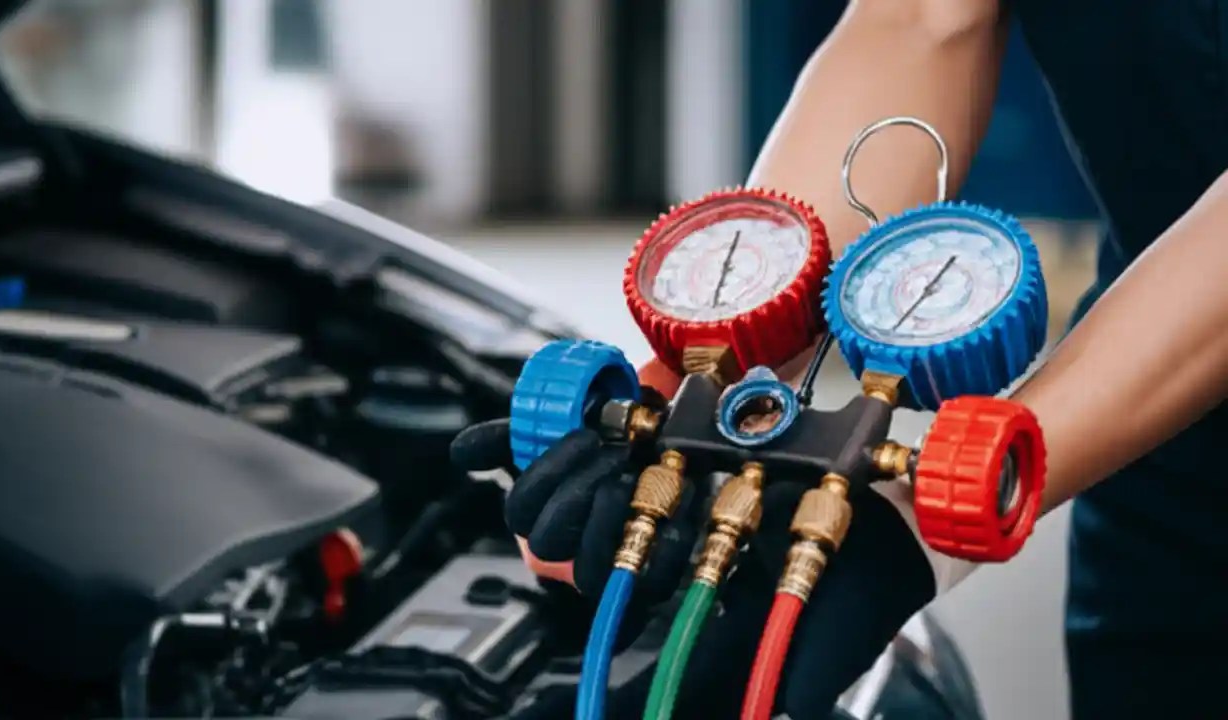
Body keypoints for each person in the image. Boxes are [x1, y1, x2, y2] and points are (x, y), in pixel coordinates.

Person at [452, 1, 1228, 717]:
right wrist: (701, 383)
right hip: (1157, 459)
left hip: (1139, 383)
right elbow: (922, 19)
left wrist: (916, 523)